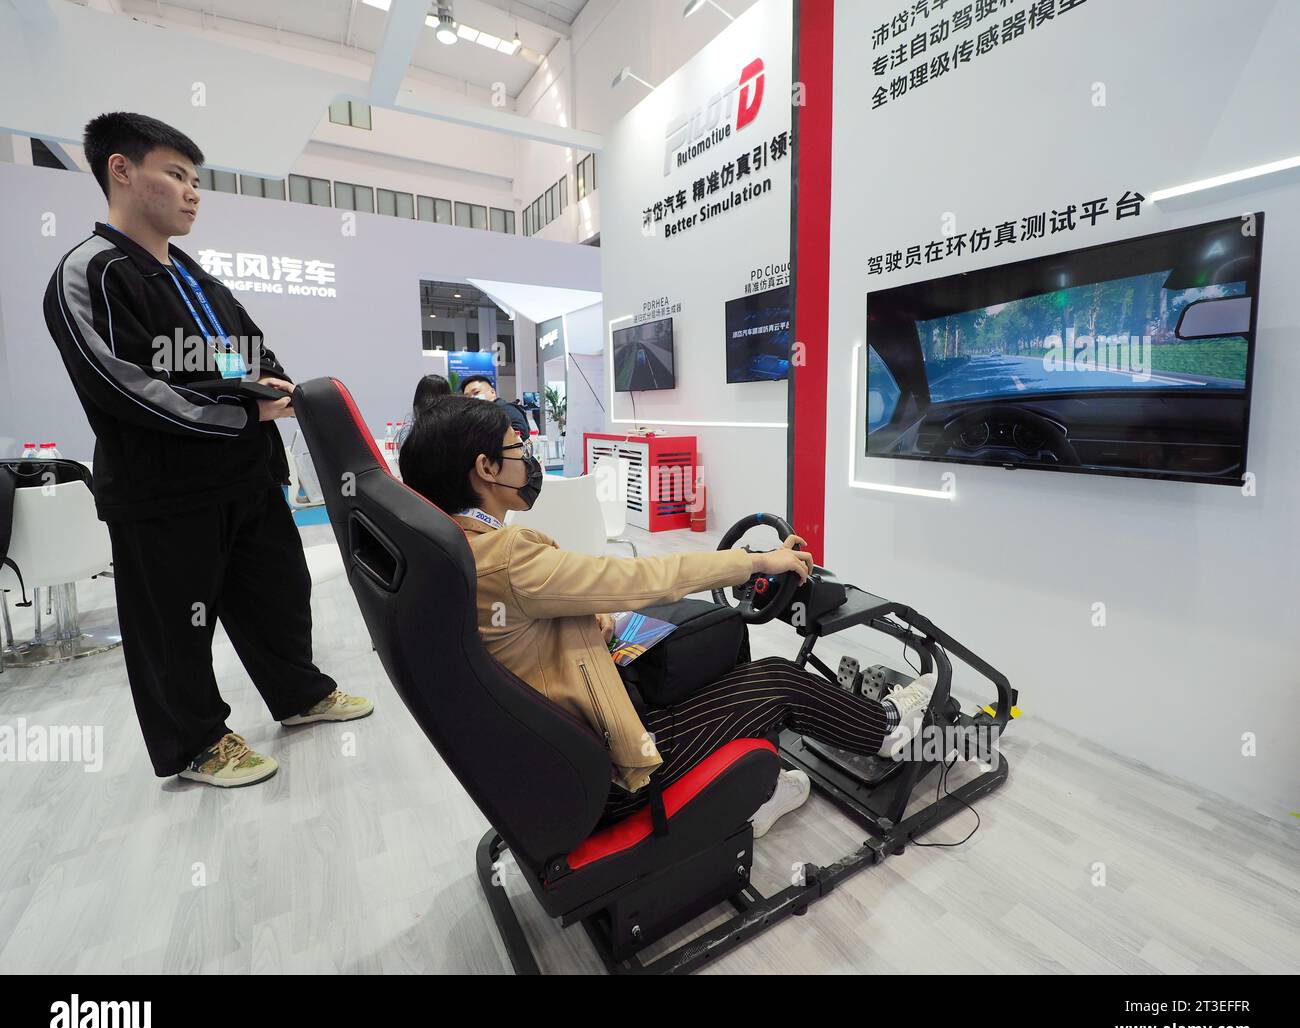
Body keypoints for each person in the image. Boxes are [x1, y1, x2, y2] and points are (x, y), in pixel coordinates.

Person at [398, 396, 937, 833]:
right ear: (486, 468)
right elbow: (645, 579)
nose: (528, 459)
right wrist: (756, 562)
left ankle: (762, 785)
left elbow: (523, 626)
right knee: (778, 680)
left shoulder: (450, 555)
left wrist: (586, 621)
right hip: (606, 780)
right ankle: (891, 730)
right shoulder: (507, 557)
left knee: (712, 642)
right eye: (518, 448)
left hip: (547, 765)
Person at [43, 112, 373, 789]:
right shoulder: (91, 272)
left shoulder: (194, 277)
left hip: (247, 478)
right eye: (176, 175)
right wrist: (239, 412)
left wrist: (272, 386)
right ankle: (196, 743)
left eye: (196, 180)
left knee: (280, 592)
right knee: (174, 627)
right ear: (122, 170)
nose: (192, 192)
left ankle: (300, 695)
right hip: (162, 493)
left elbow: (248, 349)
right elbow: (122, 385)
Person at [459, 374, 531, 441]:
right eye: (467, 396)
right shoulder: (481, 414)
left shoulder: (505, 409)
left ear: (492, 392)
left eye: (476, 393)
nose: (472, 398)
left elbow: (520, 433)